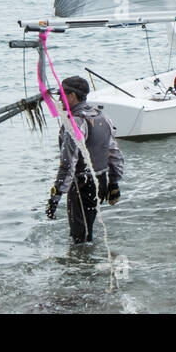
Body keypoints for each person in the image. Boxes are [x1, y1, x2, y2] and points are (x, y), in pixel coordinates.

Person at [45, 76, 124, 243]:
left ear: (72, 96)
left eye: (62, 94)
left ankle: (81, 266)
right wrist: (114, 183)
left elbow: (68, 163)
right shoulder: (102, 116)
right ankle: (89, 264)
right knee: (87, 231)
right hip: (100, 182)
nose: (59, 99)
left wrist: (56, 195)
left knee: (79, 238)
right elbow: (114, 153)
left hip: (82, 184)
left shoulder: (77, 121)